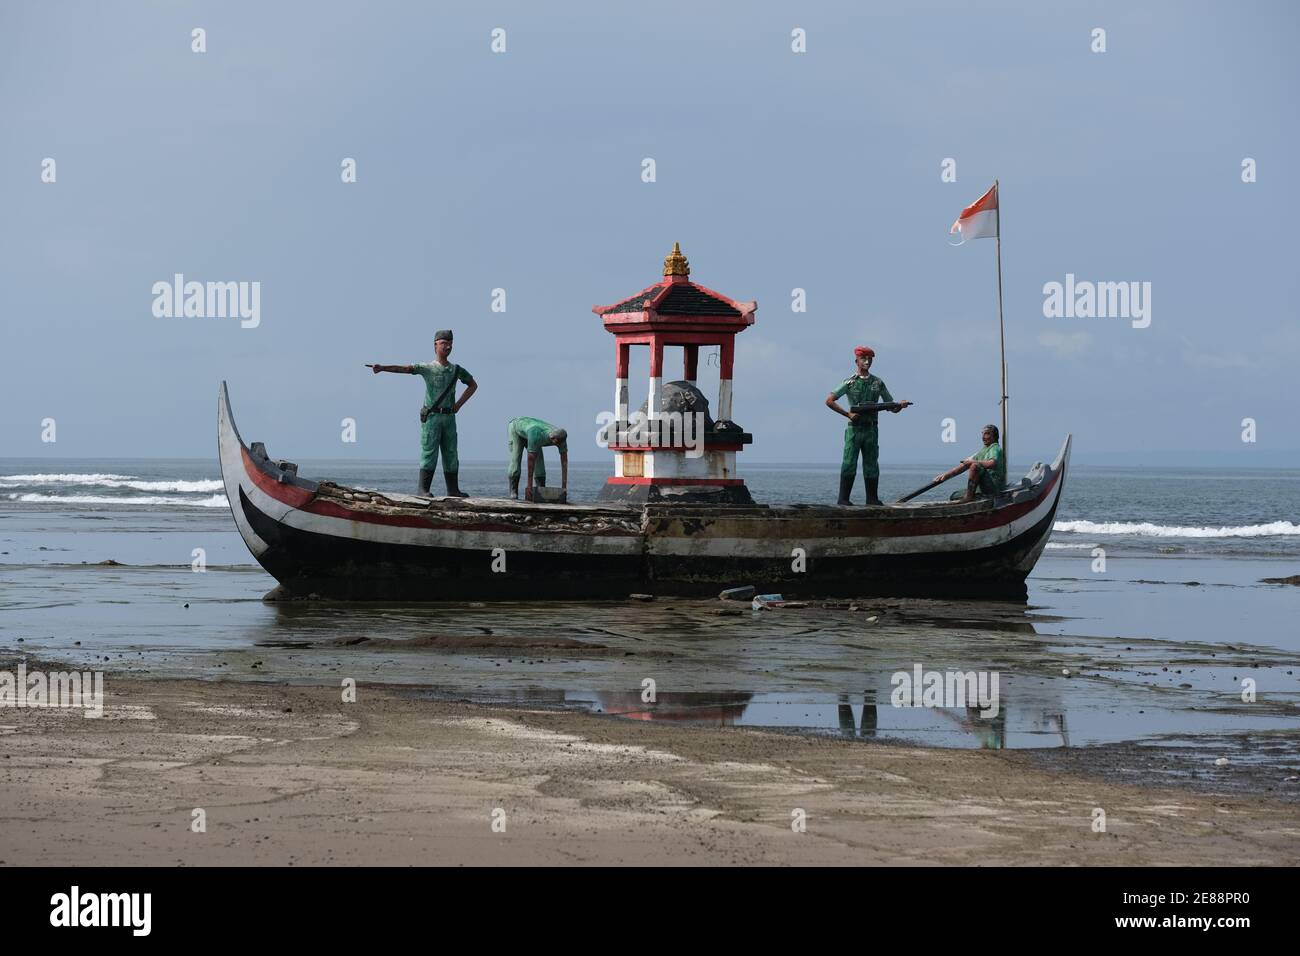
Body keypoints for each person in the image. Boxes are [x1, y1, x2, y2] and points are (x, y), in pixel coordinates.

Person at [369, 329, 477, 497]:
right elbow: (405, 369)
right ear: (435, 345)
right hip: (432, 417)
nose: (447, 346)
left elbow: (472, 385)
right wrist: (383, 368)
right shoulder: (428, 368)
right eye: (443, 343)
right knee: (429, 451)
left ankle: (453, 489)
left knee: (451, 453)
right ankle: (423, 489)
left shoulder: (456, 370)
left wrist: (459, 405)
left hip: (449, 418)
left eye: (450, 343)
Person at [825, 345, 911, 505]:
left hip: (871, 428)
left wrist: (900, 406)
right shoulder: (850, 382)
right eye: (863, 358)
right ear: (856, 360)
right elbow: (829, 400)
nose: (867, 361)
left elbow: (890, 406)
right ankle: (843, 499)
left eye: (869, 359)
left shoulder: (878, 383)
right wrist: (848, 414)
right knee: (849, 462)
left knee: (871, 463)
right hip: (854, 429)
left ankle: (872, 498)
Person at [506, 416, 568, 501]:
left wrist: (564, 487)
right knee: (516, 460)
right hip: (516, 429)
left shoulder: (561, 438)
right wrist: (529, 486)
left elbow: (564, 462)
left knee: (540, 467)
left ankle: (540, 491)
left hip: (533, 432)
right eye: (555, 442)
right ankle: (514, 491)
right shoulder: (536, 434)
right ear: (553, 439)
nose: (558, 445)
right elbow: (531, 461)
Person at [946, 424, 1006, 501]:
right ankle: (971, 495)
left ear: (994, 435)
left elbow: (992, 463)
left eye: (987, 434)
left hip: (993, 487)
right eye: (982, 434)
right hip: (982, 488)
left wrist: (973, 462)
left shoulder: (995, 448)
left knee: (975, 466)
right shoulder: (983, 451)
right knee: (954, 496)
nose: (983, 437)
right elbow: (964, 465)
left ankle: (969, 497)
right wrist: (946, 475)